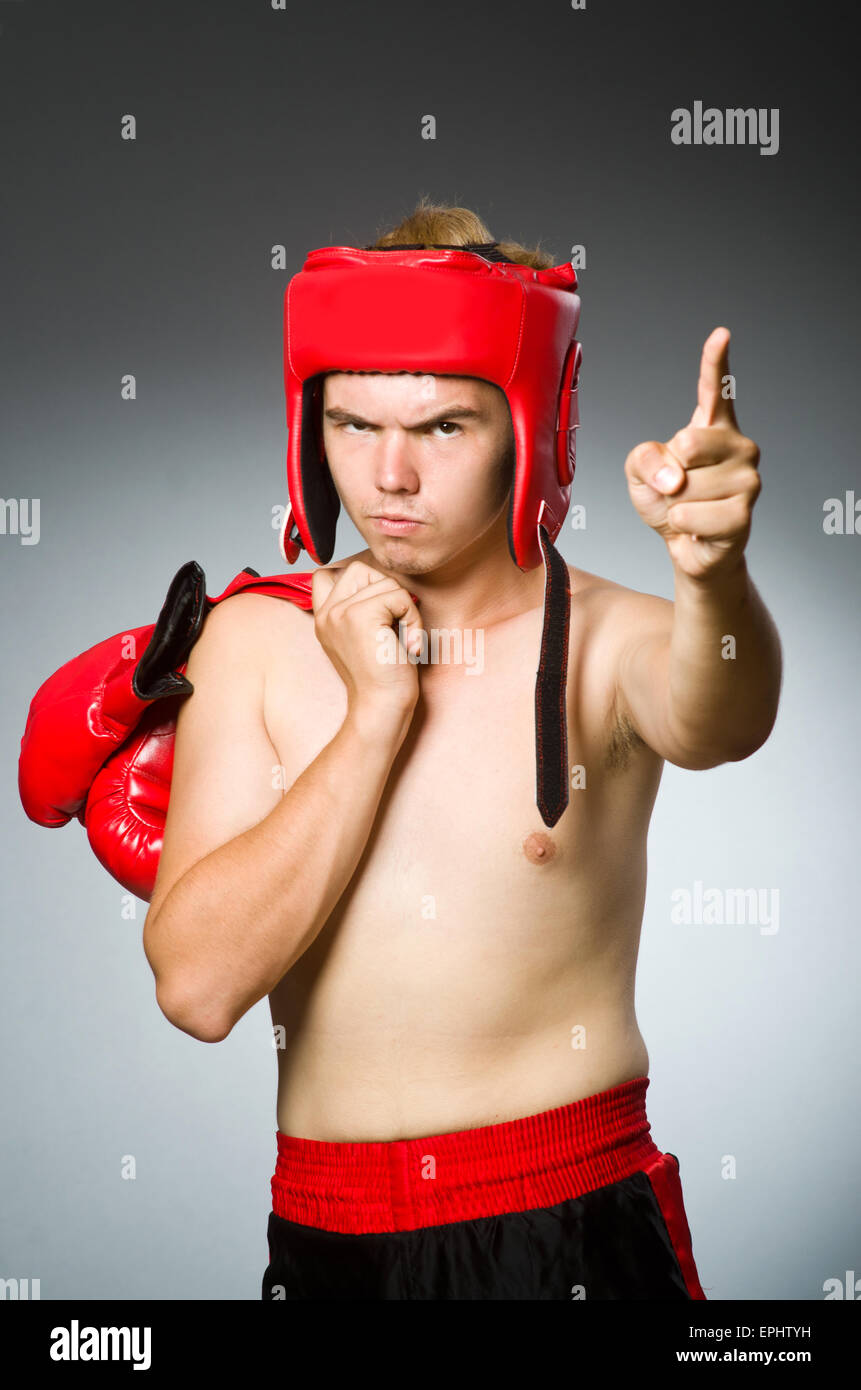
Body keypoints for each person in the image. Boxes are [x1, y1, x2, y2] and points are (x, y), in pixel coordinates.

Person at [141, 199, 782, 1300]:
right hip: (324, 1236)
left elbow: (726, 719)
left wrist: (713, 572)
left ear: (532, 428)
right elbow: (197, 987)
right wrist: (375, 715)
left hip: (566, 1225)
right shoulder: (253, 642)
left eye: (442, 427)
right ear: (307, 430)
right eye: (352, 425)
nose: (389, 476)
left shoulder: (609, 638)